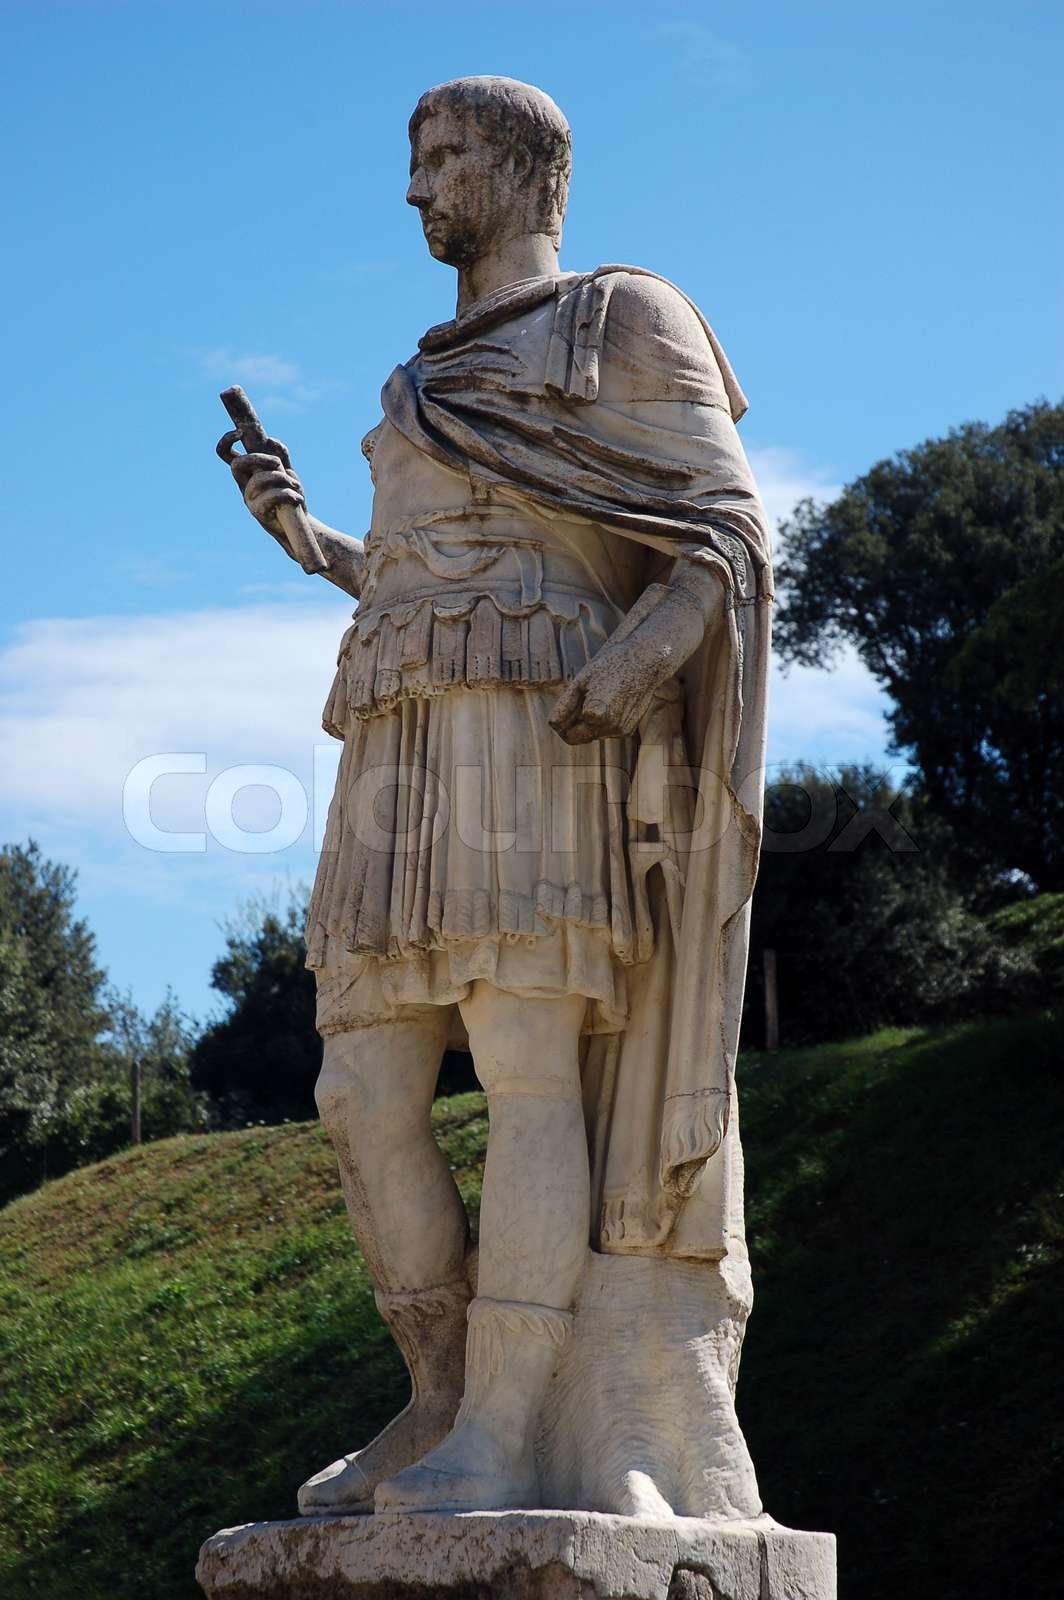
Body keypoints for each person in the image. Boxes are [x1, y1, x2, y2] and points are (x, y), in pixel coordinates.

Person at [227, 75, 771, 1517]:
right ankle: (440, 1394)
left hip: (544, 716)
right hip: (399, 722)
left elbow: (723, 534)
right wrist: (306, 537)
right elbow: (420, 563)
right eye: (414, 160)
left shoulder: (623, 318)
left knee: (528, 1061)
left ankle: (513, 1424)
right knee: (361, 1085)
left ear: (531, 171)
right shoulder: (416, 377)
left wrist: (647, 662)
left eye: (445, 155)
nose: (418, 189)